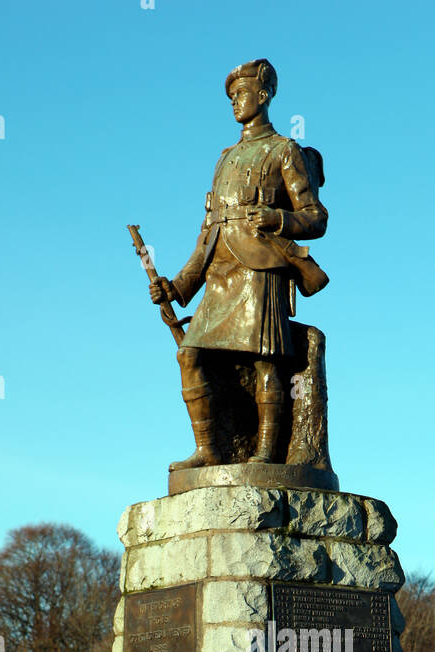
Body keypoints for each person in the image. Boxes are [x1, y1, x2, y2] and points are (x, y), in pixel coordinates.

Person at [147, 58, 329, 472]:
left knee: (265, 361)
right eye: (231, 96)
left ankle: (267, 453)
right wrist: (177, 286)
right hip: (219, 273)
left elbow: (316, 217)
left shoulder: (285, 151)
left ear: (263, 96)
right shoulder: (224, 158)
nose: (235, 103)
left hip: (261, 268)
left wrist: (279, 219)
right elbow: (208, 231)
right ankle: (208, 449)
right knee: (190, 356)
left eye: (242, 94)